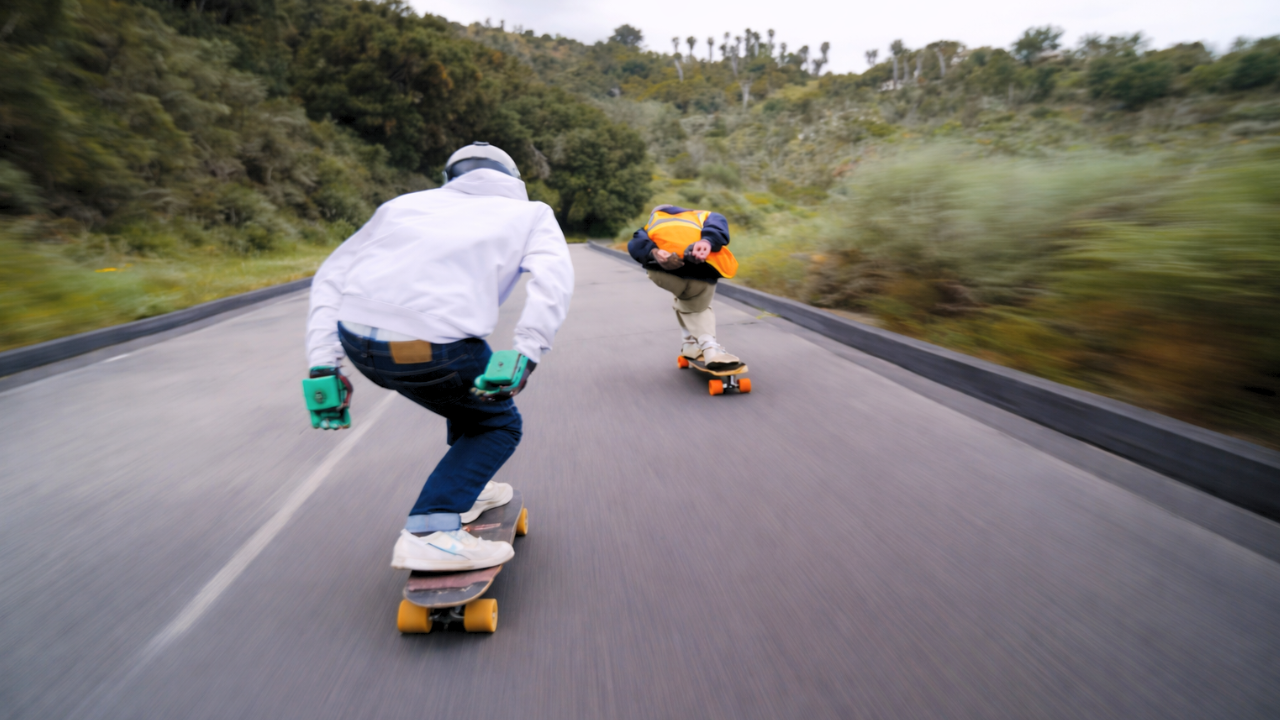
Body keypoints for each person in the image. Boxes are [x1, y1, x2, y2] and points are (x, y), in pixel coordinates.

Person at [303, 142, 574, 572]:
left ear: (450, 179)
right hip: (433, 348)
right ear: (513, 182)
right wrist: (527, 351)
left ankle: (471, 485)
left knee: (469, 391)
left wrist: (324, 362)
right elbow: (553, 282)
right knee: (498, 422)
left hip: (358, 342)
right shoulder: (532, 214)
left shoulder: (402, 205)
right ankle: (430, 531)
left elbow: (332, 276)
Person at [627, 205, 742, 368]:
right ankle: (711, 349)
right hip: (702, 270)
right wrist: (707, 241)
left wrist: (654, 252)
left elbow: (635, 243)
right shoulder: (703, 215)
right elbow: (719, 224)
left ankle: (689, 344)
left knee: (683, 297)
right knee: (698, 307)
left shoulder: (652, 222)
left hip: (662, 272)